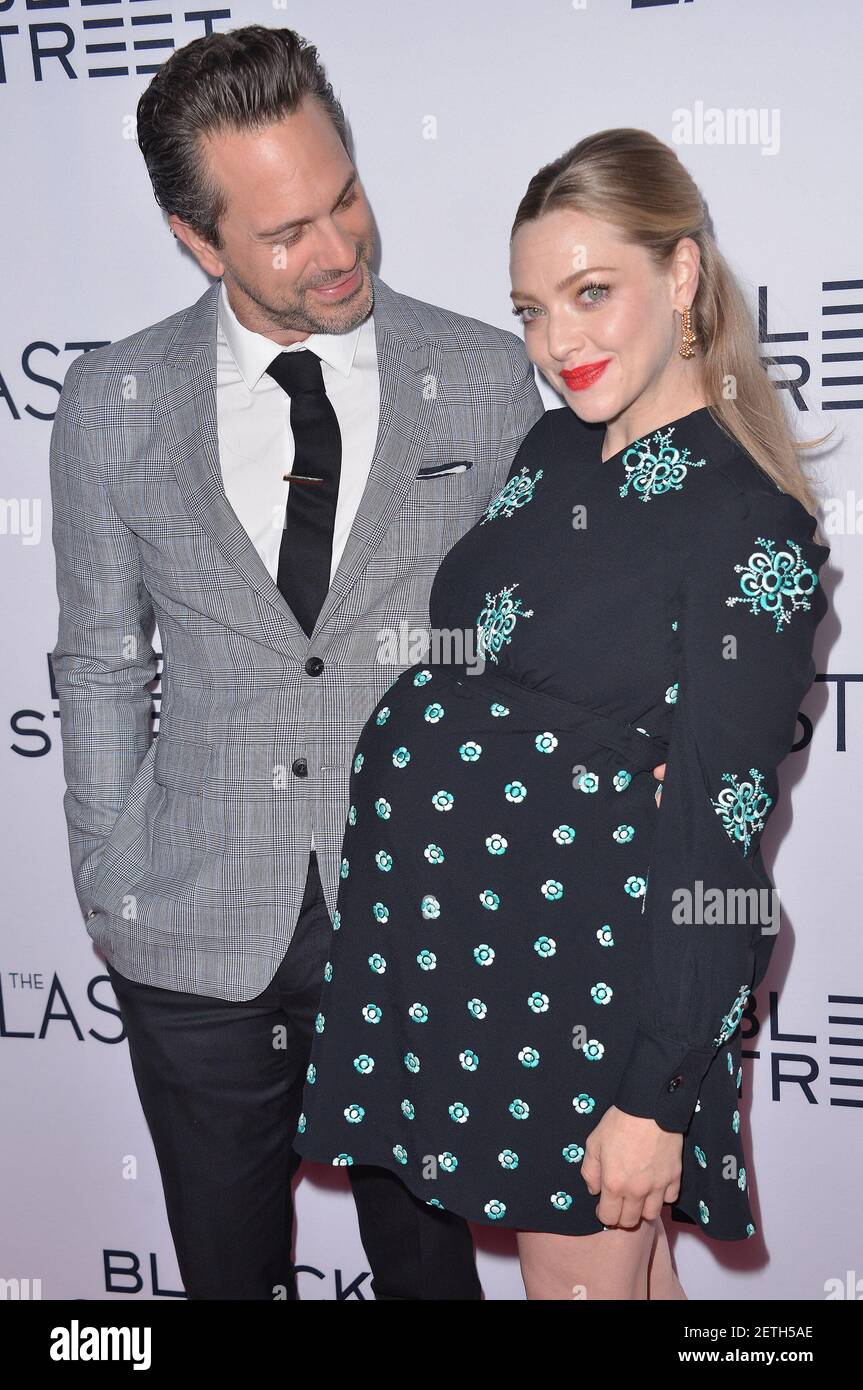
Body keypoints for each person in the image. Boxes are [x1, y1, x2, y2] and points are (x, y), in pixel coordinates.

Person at [51, 26, 671, 1301]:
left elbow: (548, 641)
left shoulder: (488, 376)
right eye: (284, 234)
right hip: (192, 927)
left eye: (344, 199)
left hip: (428, 922)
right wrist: (110, 876)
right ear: (195, 235)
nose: (336, 250)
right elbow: (103, 662)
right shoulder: (112, 403)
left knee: (432, 1277)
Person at [292, 127, 831, 1300]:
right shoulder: (554, 445)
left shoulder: (747, 528)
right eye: (532, 309)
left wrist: (651, 1094)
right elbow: (486, 649)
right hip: (479, 957)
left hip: (598, 992)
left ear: (679, 275)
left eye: (590, 295)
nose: (556, 343)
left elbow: (719, 848)